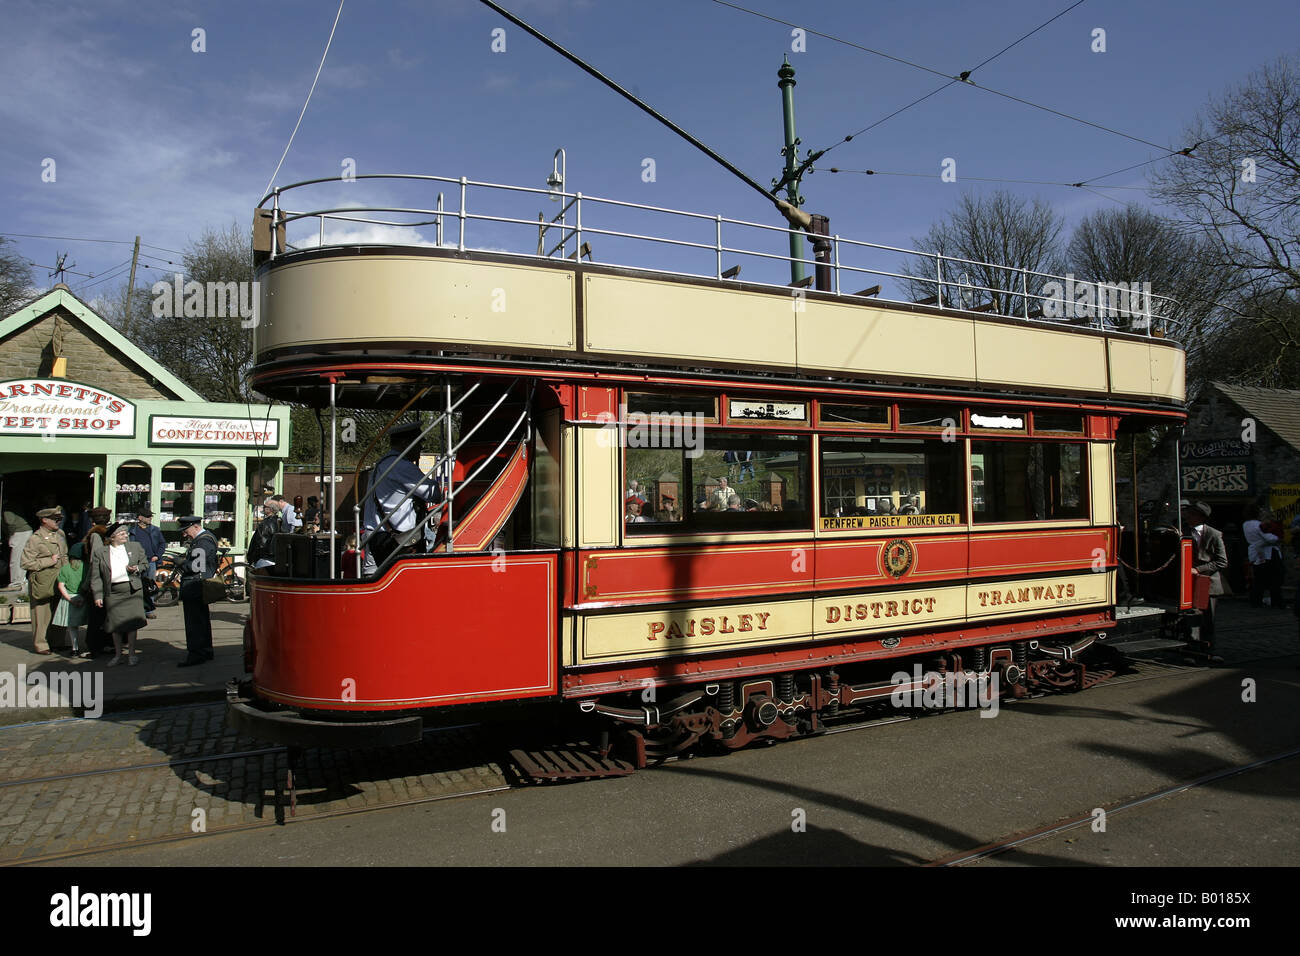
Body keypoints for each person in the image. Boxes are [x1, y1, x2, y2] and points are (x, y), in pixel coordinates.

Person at [361, 423, 441, 575]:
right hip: (397, 540)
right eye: (418, 444)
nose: (420, 449)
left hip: (376, 535)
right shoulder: (401, 466)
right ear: (406, 443)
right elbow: (433, 494)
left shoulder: (382, 464)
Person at [91, 523, 148, 667]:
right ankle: (117, 655)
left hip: (132, 590)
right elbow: (96, 576)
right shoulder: (101, 552)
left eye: (126, 533)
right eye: (122, 534)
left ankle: (132, 654)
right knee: (115, 625)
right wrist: (97, 595)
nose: (126, 536)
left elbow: (145, 564)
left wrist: (136, 568)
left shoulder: (135, 547)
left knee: (132, 624)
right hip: (113, 592)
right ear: (112, 537)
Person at [19, 506, 68, 655]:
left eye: (59, 519)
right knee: (41, 614)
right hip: (42, 582)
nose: (58, 522)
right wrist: (49, 561)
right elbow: (25, 563)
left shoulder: (60, 534)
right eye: (55, 519)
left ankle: (57, 642)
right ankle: (41, 644)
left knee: (59, 612)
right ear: (44, 520)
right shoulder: (35, 539)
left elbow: (64, 556)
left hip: (59, 579)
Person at [1182, 499, 1227, 654]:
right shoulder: (1184, 533)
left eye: (1191, 514)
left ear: (1201, 517)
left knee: (1209, 619)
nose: (1187, 517)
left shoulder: (1214, 535)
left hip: (1209, 583)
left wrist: (1199, 569)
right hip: (1191, 583)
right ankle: (1192, 648)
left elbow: (1222, 561)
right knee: (1192, 616)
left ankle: (1209, 650)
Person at [177, 515, 217, 667]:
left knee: (194, 622)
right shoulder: (206, 538)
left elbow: (196, 566)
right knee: (201, 620)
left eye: (186, 530)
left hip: (194, 585)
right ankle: (205, 650)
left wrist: (181, 563)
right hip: (198, 584)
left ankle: (196, 653)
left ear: (195, 527)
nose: (184, 534)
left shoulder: (202, 541)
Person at [82, 508, 113, 657]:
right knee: (108, 614)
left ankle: (95, 647)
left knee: (96, 616)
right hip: (112, 578)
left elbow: (96, 560)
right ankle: (109, 643)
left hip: (100, 579)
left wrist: (87, 583)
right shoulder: (111, 532)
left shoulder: (95, 535)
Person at [129, 508, 167, 620]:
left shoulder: (155, 530)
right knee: (136, 585)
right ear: (140, 517)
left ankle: (149, 609)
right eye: (147, 516)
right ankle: (137, 610)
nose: (150, 518)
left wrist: (157, 556)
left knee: (149, 586)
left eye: (151, 516)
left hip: (151, 561)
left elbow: (162, 543)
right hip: (136, 563)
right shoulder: (132, 531)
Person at [52, 541, 89, 657]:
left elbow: (60, 585)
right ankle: (90, 647)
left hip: (69, 598)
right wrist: (83, 597)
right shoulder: (87, 568)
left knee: (72, 627)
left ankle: (75, 648)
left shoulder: (65, 569)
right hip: (84, 598)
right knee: (88, 623)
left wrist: (69, 599)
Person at [1242, 504, 1282, 608]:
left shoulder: (1245, 524)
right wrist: (1277, 537)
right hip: (1267, 553)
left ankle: (1256, 601)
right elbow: (1270, 538)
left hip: (1255, 553)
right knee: (1275, 579)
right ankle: (1276, 602)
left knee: (1258, 579)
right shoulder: (1258, 524)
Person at [245, 500, 285, 569]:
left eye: (264, 507)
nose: (263, 508)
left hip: (264, 559)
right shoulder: (279, 521)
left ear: (270, 509)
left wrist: (252, 558)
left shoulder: (266, 524)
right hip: (275, 559)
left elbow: (261, 544)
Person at [3, 506, 32, 592]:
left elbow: (10, 521)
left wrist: (10, 534)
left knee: (16, 559)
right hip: (22, 532)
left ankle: (17, 583)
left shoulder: (6, 508)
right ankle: (20, 581)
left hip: (20, 532)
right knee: (19, 557)